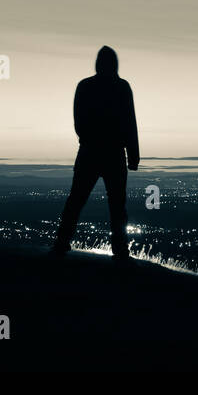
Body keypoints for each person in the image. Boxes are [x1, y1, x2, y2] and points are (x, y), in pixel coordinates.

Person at [50, 45, 139, 260]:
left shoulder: (86, 86)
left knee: (76, 200)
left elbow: (79, 121)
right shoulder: (122, 87)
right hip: (114, 154)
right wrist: (133, 155)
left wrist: (89, 139)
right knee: (116, 205)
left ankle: (61, 243)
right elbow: (130, 122)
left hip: (89, 152)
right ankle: (120, 251)